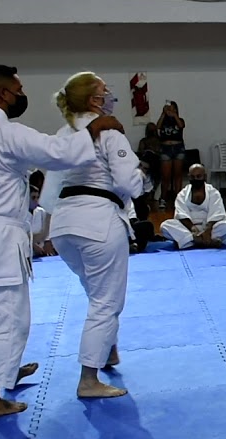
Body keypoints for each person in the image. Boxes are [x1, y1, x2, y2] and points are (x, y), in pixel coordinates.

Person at [0, 63, 124, 418]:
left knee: (14, 317)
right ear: (4, 94)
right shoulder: (7, 133)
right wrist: (95, 129)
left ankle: (6, 372)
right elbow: (58, 152)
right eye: (19, 90)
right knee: (3, 321)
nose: (23, 95)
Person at [44, 72, 149, 398]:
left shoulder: (64, 134)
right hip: (98, 222)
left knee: (97, 293)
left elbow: (47, 193)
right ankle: (88, 379)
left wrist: (44, 232)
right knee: (106, 301)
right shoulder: (110, 132)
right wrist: (143, 177)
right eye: (105, 92)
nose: (110, 97)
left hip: (63, 226)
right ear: (94, 100)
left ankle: (108, 349)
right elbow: (125, 183)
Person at [160, 164, 226, 249]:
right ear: (189, 177)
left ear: (205, 177)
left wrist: (207, 231)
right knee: (165, 226)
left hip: (209, 228)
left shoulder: (213, 193)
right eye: (192, 177)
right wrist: (193, 229)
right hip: (189, 229)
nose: (195, 179)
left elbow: (217, 214)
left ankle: (190, 241)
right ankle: (205, 241)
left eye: (198, 176)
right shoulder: (182, 194)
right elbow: (181, 215)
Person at [156, 101, 187, 206]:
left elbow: (181, 126)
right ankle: (163, 198)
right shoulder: (163, 121)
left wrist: (174, 116)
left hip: (178, 148)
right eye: (169, 109)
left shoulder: (179, 119)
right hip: (166, 149)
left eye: (173, 109)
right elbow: (158, 127)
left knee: (178, 175)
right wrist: (163, 114)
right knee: (166, 176)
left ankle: (178, 200)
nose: (171, 111)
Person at [27, 172, 54, 257]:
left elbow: (47, 232)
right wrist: (33, 246)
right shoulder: (20, 215)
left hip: (41, 253)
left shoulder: (42, 212)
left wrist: (47, 241)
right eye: (33, 198)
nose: (36, 200)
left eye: (38, 197)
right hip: (27, 251)